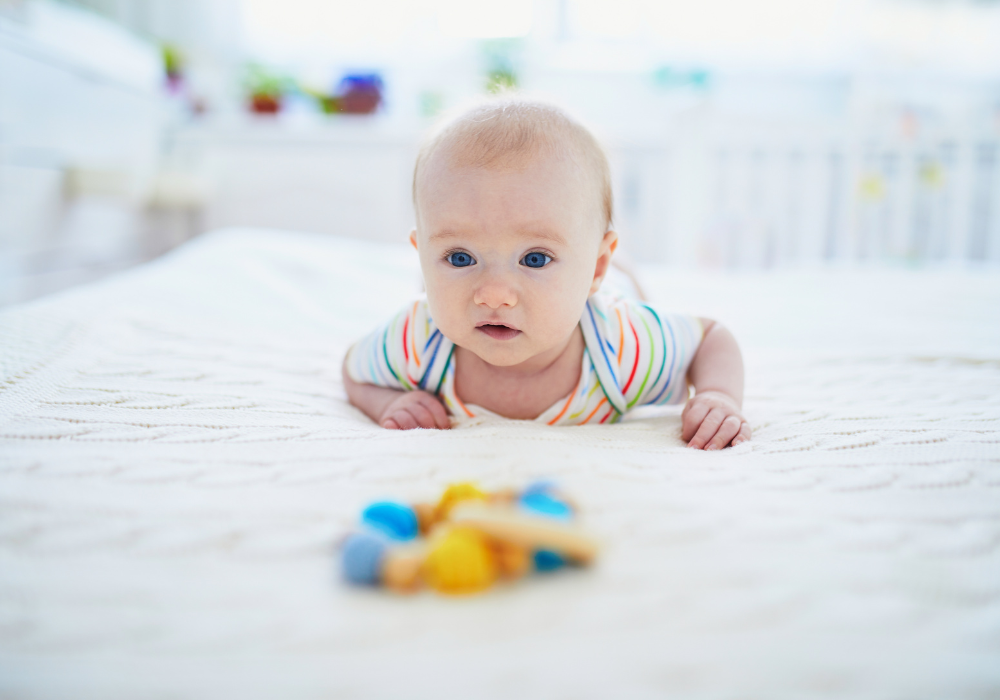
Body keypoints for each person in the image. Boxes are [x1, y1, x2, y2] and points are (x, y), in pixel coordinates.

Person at [343, 96, 750, 450]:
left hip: (607, 295)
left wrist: (718, 395)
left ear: (596, 267)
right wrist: (387, 404)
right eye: (459, 257)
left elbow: (710, 338)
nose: (494, 294)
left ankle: (615, 271)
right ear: (420, 255)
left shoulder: (622, 344)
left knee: (630, 287)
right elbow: (352, 368)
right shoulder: (419, 337)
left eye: (535, 258)